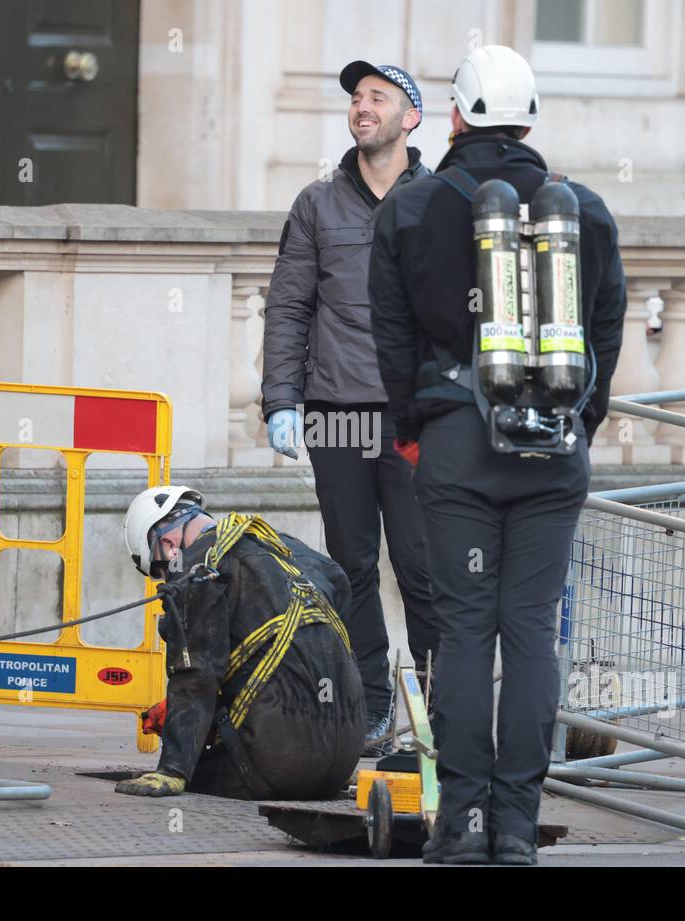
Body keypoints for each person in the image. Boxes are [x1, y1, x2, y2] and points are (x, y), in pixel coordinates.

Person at [368, 45, 625, 865]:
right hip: (551, 448)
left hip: (456, 445)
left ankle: (463, 822)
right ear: (531, 116)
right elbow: (606, 327)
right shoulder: (581, 209)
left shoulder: (409, 210)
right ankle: (518, 826)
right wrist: (583, 417)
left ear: (453, 116)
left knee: (467, 634)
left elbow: (392, 334)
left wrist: (415, 425)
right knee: (532, 635)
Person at [262, 59, 440, 754]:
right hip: (337, 410)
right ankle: (370, 706)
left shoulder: (440, 200)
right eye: (357, 98)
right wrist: (282, 398)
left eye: (378, 97)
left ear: (411, 117)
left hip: (414, 416)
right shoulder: (317, 203)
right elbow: (288, 307)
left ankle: (434, 712)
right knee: (350, 565)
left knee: (423, 568)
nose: (362, 107)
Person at [115, 486, 367, 800]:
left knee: (201, 773)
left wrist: (174, 770)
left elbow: (196, 676)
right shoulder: (283, 546)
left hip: (281, 767)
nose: (168, 581)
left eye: (161, 570)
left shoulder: (198, 567)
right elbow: (339, 583)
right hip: (343, 762)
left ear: (168, 545)